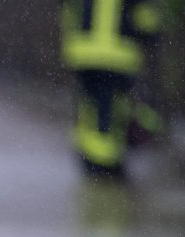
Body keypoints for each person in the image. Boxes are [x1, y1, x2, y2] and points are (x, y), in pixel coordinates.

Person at [61, 0, 164, 178]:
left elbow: (69, 15)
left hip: (83, 53)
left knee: (89, 106)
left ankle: (89, 158)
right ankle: (106, 165)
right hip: (117, 58)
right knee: (112, 110)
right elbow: (146, 21)